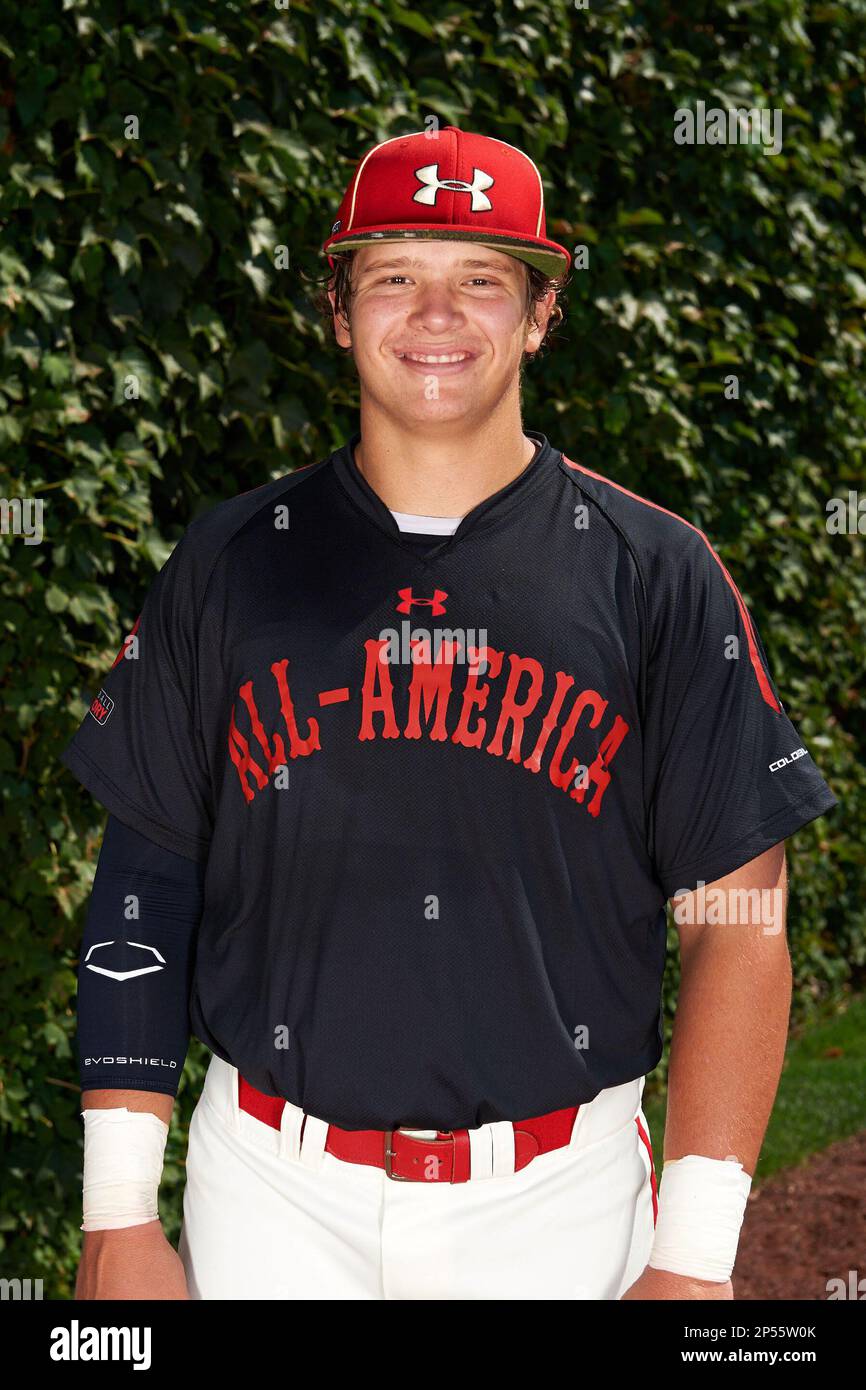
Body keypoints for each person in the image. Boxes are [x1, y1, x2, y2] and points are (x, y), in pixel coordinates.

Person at [65, 125, 837, 1301]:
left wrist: (691, 1254)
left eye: (480, 278)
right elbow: (144, 880)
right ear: (337, 307)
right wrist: (118, 1213)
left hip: (559, 1201)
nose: (435, 315)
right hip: (269, 1195)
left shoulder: (654, 573)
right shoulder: (230, 560)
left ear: (539, 313)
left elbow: (736, 917)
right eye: (394, 276)